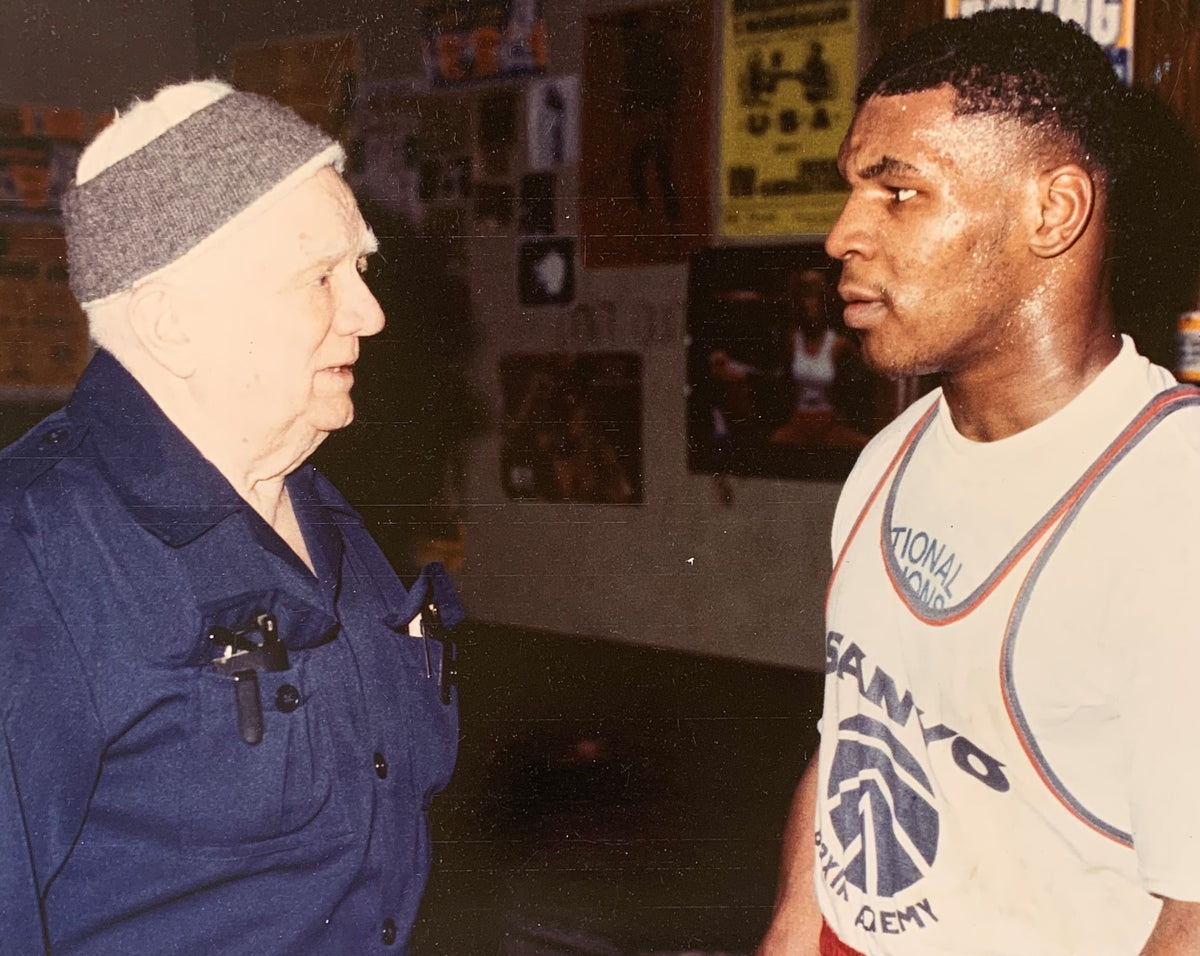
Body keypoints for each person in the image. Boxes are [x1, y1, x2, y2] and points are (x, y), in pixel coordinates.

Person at [759, 10, 1200, 956]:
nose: (841, 235)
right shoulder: (892, 453)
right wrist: (792, 929)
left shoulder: (1173, 505)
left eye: (899, 193)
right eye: (852, 190)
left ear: (1054, 211)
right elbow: (854, 731)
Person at [0, 80, 463, 954]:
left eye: (360, 270)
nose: (369, 314)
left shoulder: (325, 517)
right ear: (171, 323)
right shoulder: (33, 556)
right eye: (319, 277)